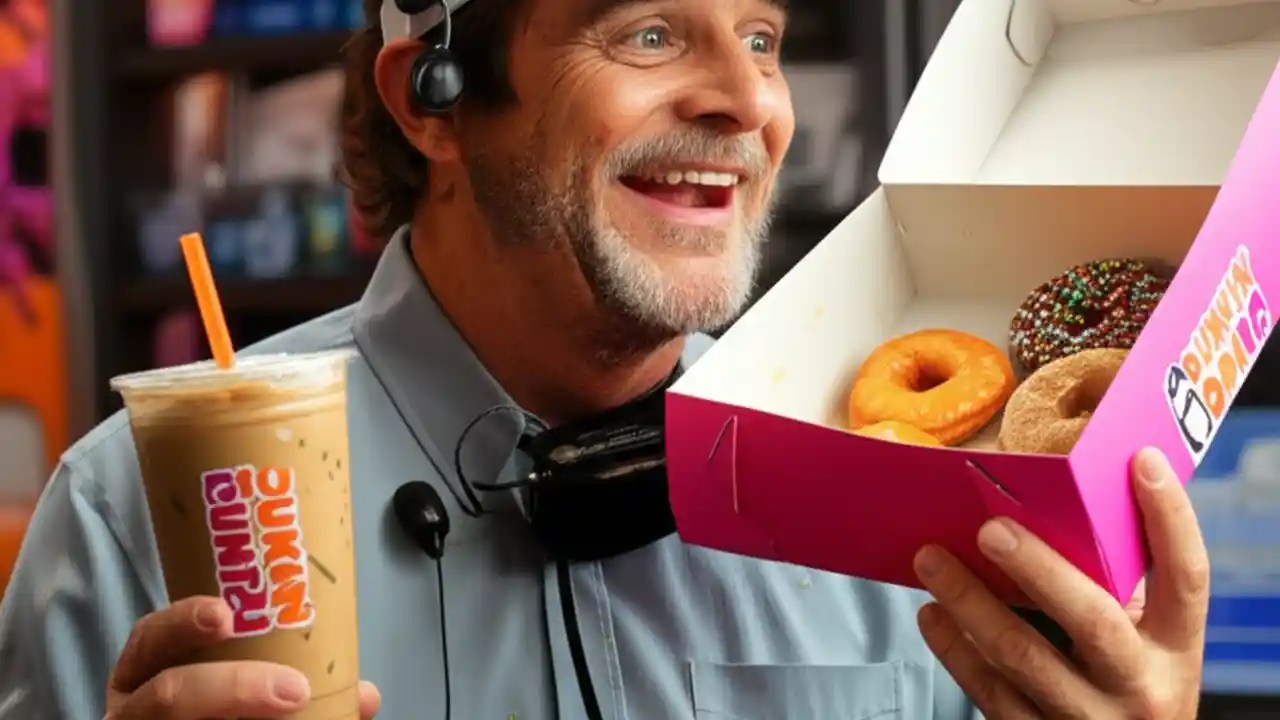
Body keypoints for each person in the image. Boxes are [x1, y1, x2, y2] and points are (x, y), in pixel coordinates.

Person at [0, 0, 1212, 717]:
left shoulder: (915, 499)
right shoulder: (137, 519)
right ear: (433, 102)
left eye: (760, 35)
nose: (749, 101)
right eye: (646, 32)